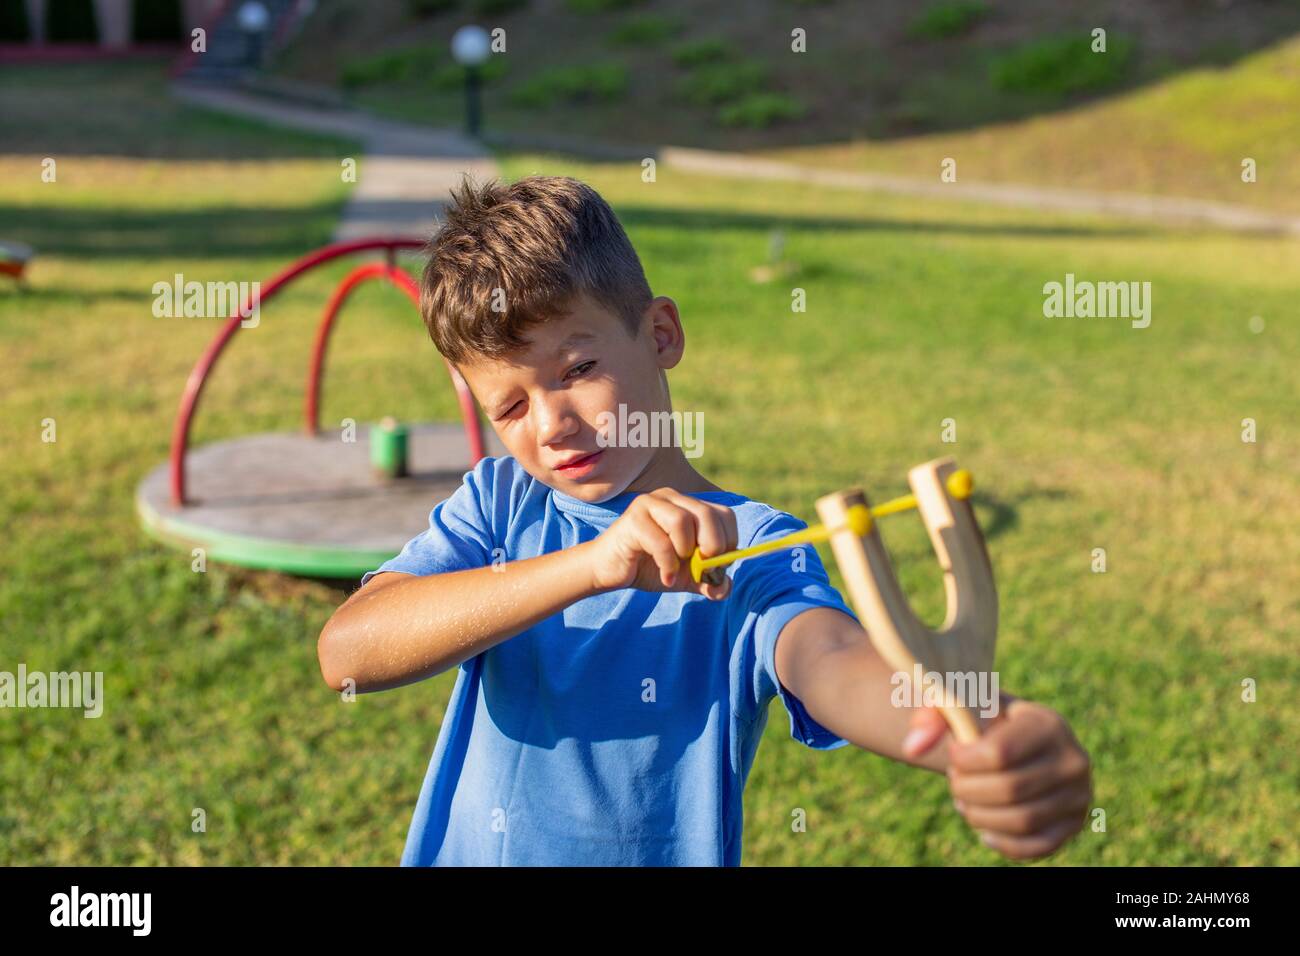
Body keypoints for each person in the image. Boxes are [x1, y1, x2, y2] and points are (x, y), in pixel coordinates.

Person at [316, 174, 1092, 866]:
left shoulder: (751, 544)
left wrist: (980, 731)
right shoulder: (499, 504)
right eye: (511, 406)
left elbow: (831, 663)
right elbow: (349, 651)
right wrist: (593, 564)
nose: (550, 425)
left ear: (660, 335)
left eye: (578, 369)